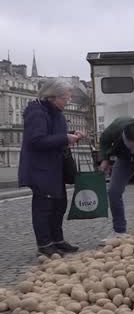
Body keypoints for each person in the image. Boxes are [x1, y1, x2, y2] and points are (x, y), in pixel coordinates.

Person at [19, 78, 86, 256]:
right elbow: (36, 140)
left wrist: (72, 135)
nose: (68, 101)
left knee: (59, 205)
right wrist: (65, 138)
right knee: (44, 207)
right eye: (65, 98)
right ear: (52, 97)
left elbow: (55, 135)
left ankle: (58, 240)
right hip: (41, 168)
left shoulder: (56, 112)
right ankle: (45, 243)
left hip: (56, 168)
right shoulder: (37, 112)